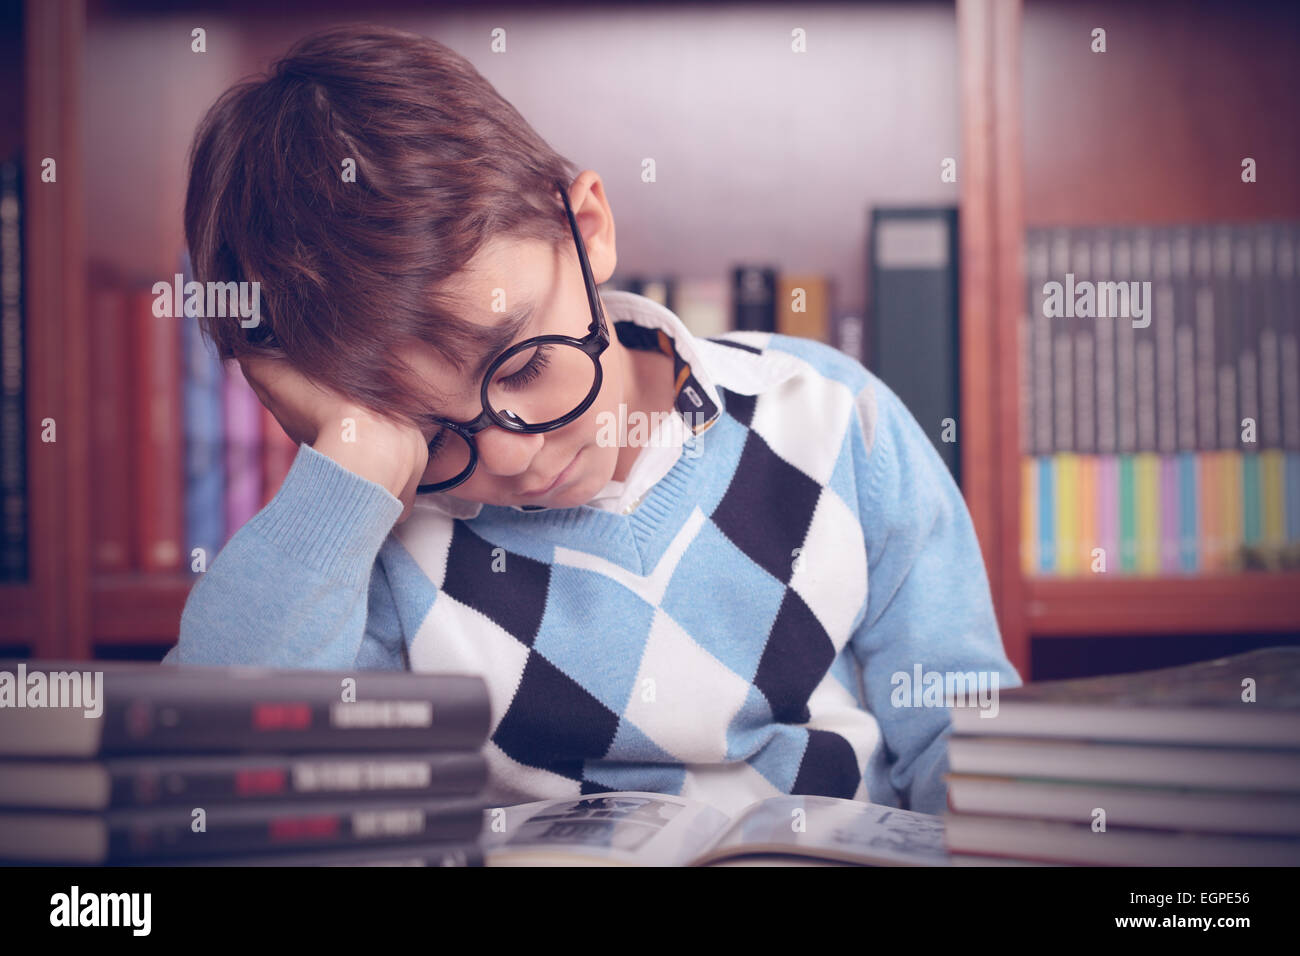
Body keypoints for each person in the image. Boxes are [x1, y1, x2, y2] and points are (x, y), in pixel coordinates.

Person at [165, 24, 1021, 818]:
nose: (513, 451)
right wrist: (345, 478)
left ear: (588, 226)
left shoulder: (834, 422)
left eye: (529, 364)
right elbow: (210, 799)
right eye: (429, 434)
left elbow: (964, 742)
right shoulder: (373, 555)